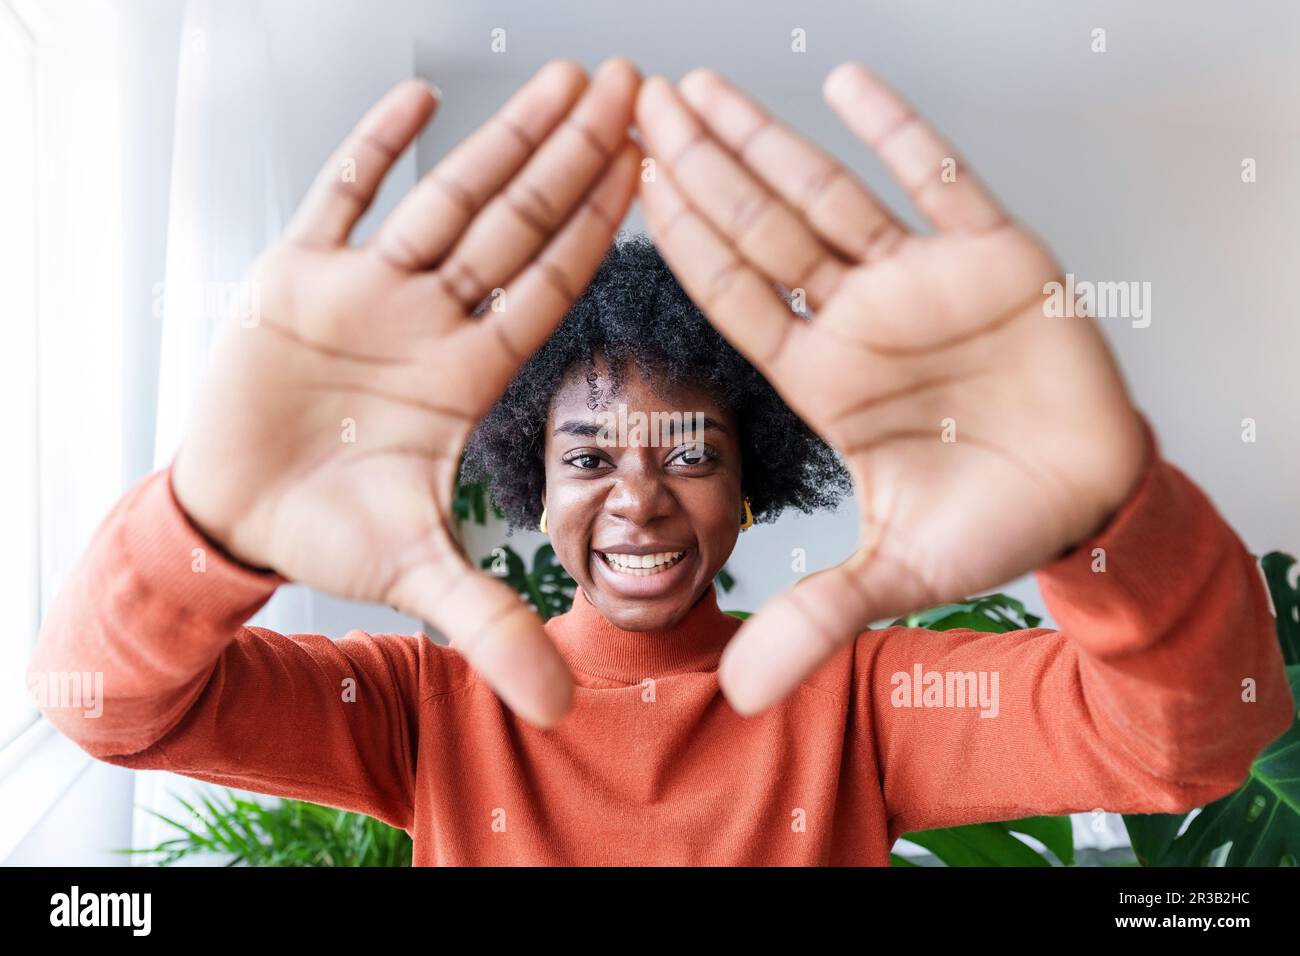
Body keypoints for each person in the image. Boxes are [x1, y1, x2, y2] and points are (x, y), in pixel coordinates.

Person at [28, 57, 1293, 866]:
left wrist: (1100, 515)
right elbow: (100, 704)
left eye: (688, 451)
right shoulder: (423, 708)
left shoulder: (860, 701)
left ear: (751, 481)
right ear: (534, 476)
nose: (634, 493)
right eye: (587, 454)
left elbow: (1190, 742)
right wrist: (206, 523)